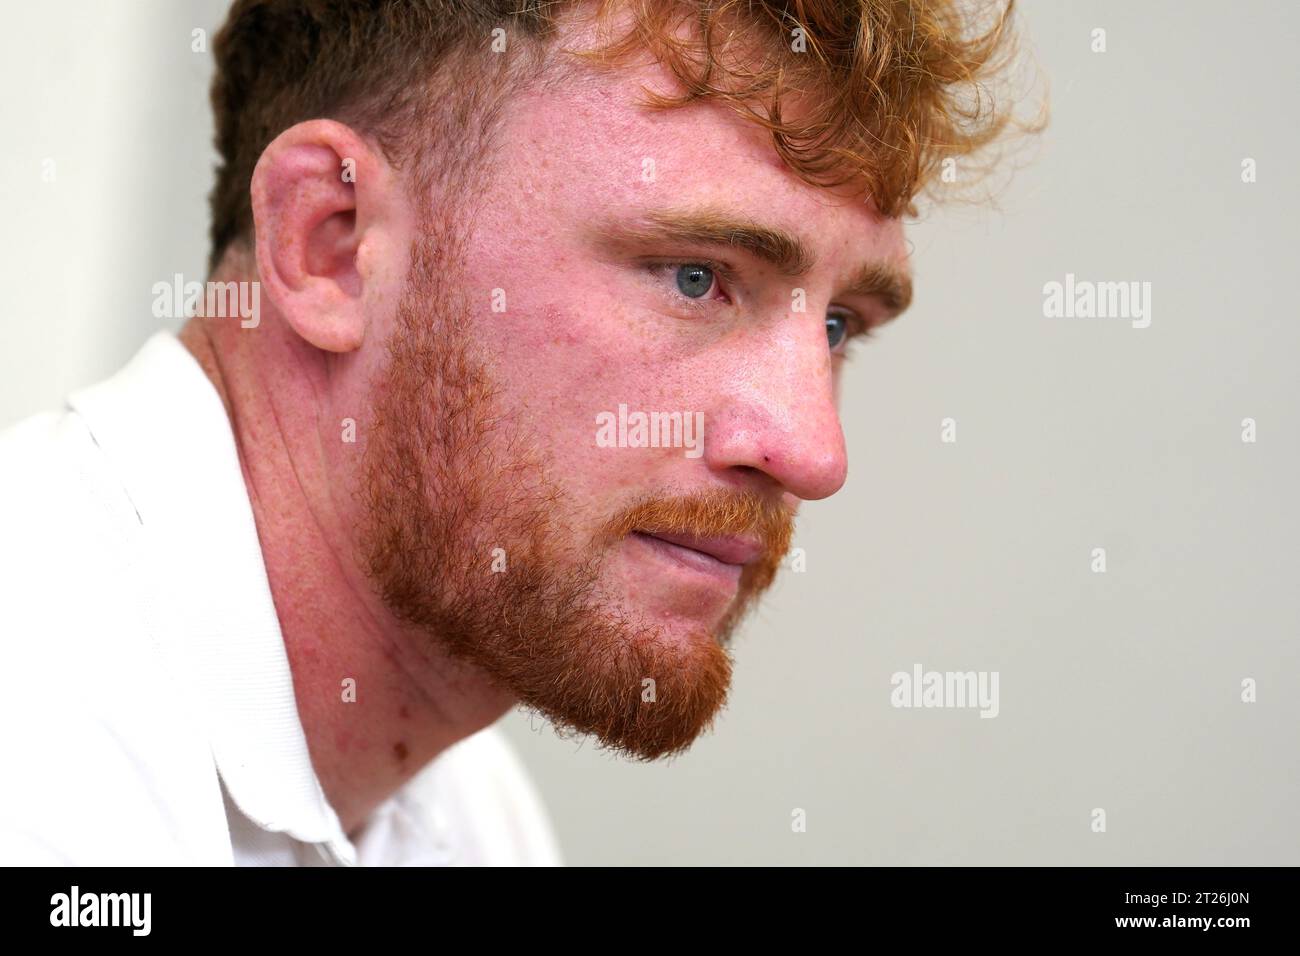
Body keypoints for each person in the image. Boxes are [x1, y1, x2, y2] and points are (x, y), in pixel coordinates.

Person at [0, 0, 1027, 865]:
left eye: (840, 324)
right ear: (332, 245)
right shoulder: (31, 738)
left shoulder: (470, 815)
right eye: (696, 276)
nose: (812, 451)